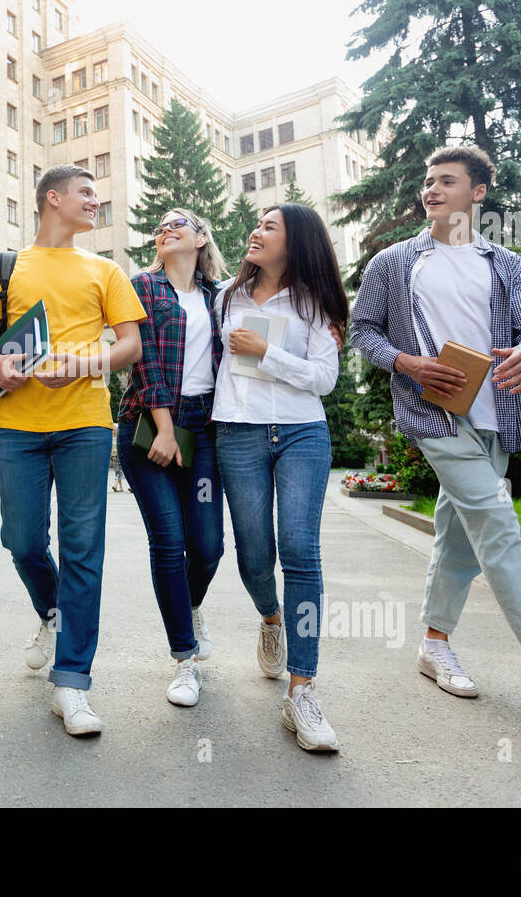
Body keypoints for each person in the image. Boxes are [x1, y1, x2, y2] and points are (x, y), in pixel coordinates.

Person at [351, 145, 521, 735]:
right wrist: (409, 364)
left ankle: (434, 644)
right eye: (427, 181)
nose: (431, 189)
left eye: (446, 181)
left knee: (460, 539)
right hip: (434, 416)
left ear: (477, 193)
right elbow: (362, 330)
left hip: (497, 415)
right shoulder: (394, 262)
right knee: (497, 525)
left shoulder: (505, 265)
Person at [0, 165, 145, 736]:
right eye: (86, 193)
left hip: (85, 426)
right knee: (20, 539)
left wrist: (84, 364)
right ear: (54, 198)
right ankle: (50, 611)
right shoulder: (8, 265)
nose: (97, 201)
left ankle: (72, 681)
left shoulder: (105, 270)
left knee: (82, 549)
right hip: (18, 425)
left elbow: (130, 346)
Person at [214, 203, 348, 751]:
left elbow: (323, 379)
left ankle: (303, 689)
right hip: (238, 434)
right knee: (252, 555)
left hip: (300, 434)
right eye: (259, 224)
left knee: (300, 548)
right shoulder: (226, 295)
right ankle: (270, 617)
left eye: (271, 226)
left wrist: (267, 353)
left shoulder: (318, 303)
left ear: (298, 243)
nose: (256, 231)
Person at [116, 208, 227, 707]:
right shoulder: (142, 286)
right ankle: (184, 659)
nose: (165, 229)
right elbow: (146, 362)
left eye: (178, 223)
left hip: (204, 428)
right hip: (148, 425)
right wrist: (164, 428)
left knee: (207, 547)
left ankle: (190, 604)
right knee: (168, 541)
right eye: (159, 225)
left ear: (201, 238)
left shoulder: (220, 297)